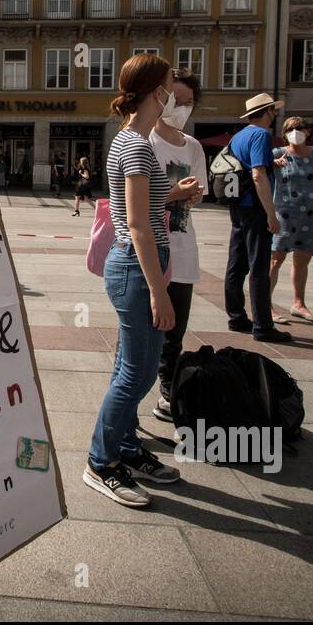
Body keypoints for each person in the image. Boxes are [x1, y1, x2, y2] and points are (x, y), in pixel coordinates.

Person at [84, 54, 186, 508]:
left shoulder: (129, 140)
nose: (175, 94)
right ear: (155, 92)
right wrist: (160, 292)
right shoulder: (138, 147)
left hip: (132, 263)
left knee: (127, 365)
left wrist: (174, 193)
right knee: (138, 373)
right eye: (170, 86)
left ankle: (125, 448)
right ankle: (100, 463)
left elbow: (138, 213)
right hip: (136, 265)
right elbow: (140, 226)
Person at [148, 71, 206, 422]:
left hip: (183, 248)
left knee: (175, 330)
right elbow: (135, 202)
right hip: (152, 248)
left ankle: (168, 392)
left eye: (188, 103)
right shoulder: (146, 142)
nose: (181, 108)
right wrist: (176, 193)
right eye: (176, 100)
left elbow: (196, 196)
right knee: (145, 330)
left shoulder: (194, 147)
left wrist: (192, 195)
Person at [223, 93, 293, 342]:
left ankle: (236, 316)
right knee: (259, 267)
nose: (274, 115)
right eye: (273, 111)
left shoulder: (238, 136)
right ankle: (263, 326)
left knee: (236, 264)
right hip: (254, 206)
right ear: (267, 112)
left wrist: (272, 164)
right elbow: (257, 176)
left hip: (237, 205)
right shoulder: (261, 135)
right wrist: (271, 214)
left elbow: (245, 166)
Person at [269, 116, 313, 324]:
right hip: (284, 213)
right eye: (290, 129)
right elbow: (260, 173)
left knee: (302, 259)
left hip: (310, 214)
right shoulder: (278, 153)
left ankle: (299, 303)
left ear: (308, 131)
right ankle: (266, 304)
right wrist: (273, 165)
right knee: (275, 259)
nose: (295, 132)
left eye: (299, 128)